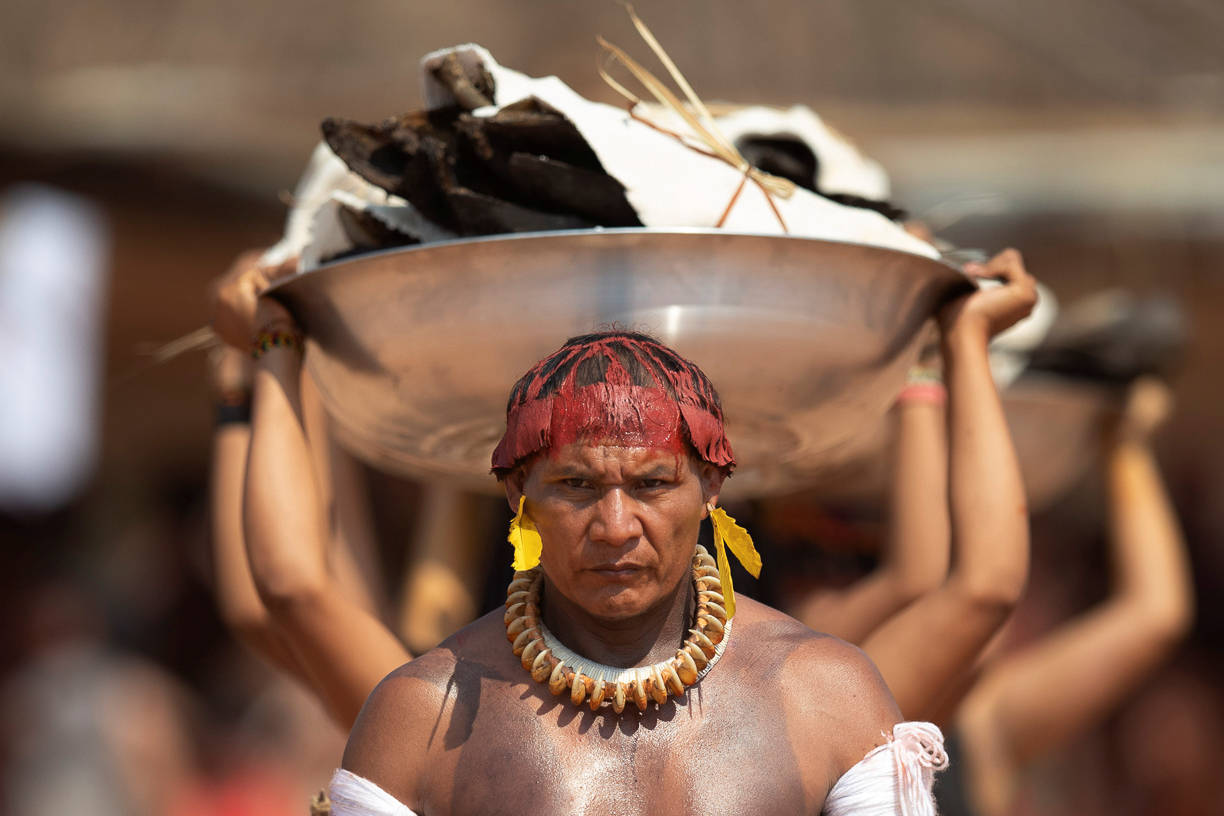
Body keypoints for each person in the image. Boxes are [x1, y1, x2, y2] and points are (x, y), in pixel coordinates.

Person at [211, 244, 1037, 814]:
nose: (614, 526)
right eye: (573, 486)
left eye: (651, 485)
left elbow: (978, 585)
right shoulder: (426, 712)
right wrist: (275, 349)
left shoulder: (823, 693)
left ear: (713, 488)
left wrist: (952, 347)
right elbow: (286, 588)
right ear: (516, 495)